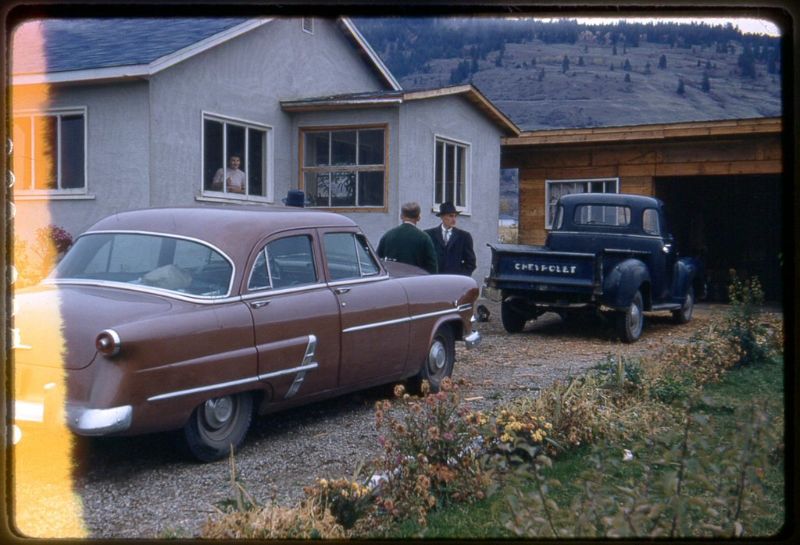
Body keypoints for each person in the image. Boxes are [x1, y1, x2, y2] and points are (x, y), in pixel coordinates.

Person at [377, 202, 438, 274]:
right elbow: (432, 267)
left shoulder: (388, 236)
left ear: (401, 216)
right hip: (415, 279)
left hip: (393, 278)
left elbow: (377, 261)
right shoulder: (424, 238)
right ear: (418, 218)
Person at [425, 201, 476, 276]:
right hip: (434, 279)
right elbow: (423, 258)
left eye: (455, 216)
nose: (454, 219)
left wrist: (461, 277)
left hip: (455, 279)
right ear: (442, 217)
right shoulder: (429, 234)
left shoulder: (464, 236)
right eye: (451, 216)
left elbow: (471, 262)